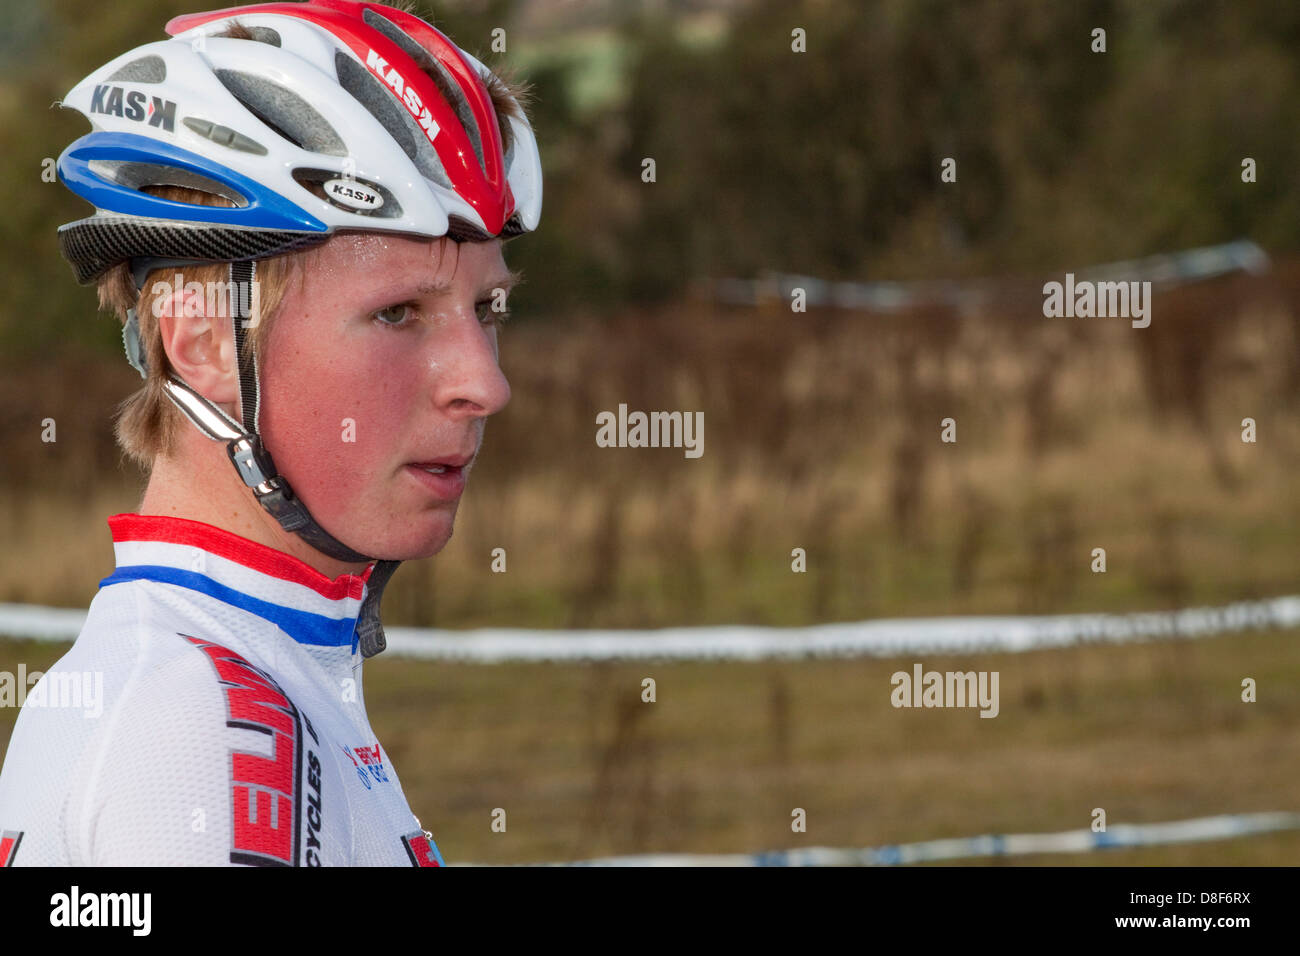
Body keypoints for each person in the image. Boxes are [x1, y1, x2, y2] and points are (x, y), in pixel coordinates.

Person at [0, 0, 540, 866]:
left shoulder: (229, 671)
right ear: (204, 342)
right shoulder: (198, 721)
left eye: (485, 308)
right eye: (398, 311)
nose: (485, 383)